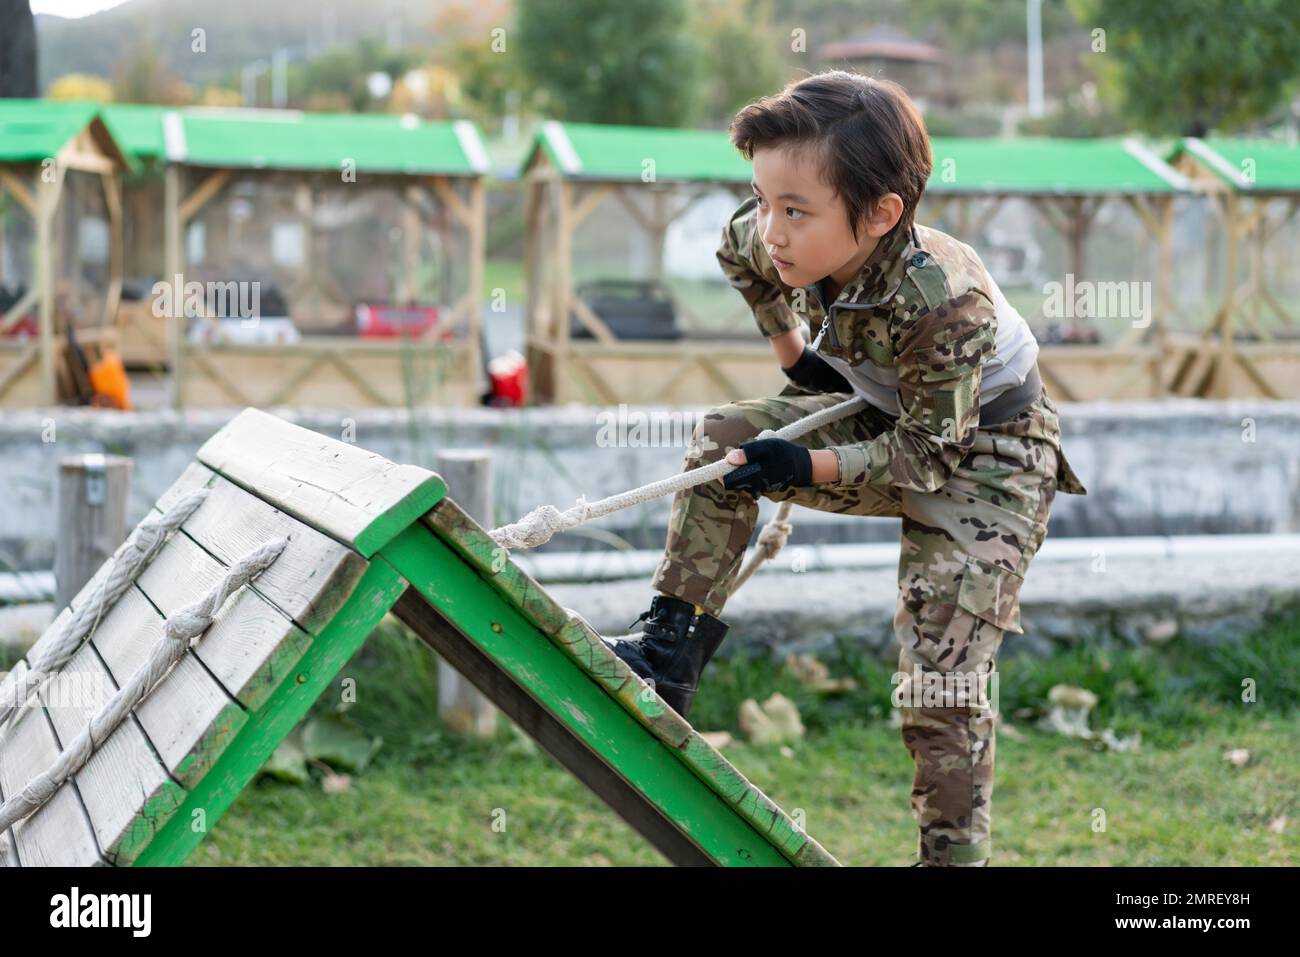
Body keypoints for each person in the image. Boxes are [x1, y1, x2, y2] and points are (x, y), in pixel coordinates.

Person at [602, 70, 1087, 867]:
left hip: (990, 453)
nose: (772, 229)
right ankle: (668, 653)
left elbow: (930, 457)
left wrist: (804, 461)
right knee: (721, 444)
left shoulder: (943, 298)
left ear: (881, 214)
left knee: (939, 687)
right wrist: (795, 354)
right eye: (763, 200)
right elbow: (741, 252)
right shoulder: (773, 232)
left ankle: (951, 861)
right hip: (887, 415)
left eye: (794, 211)